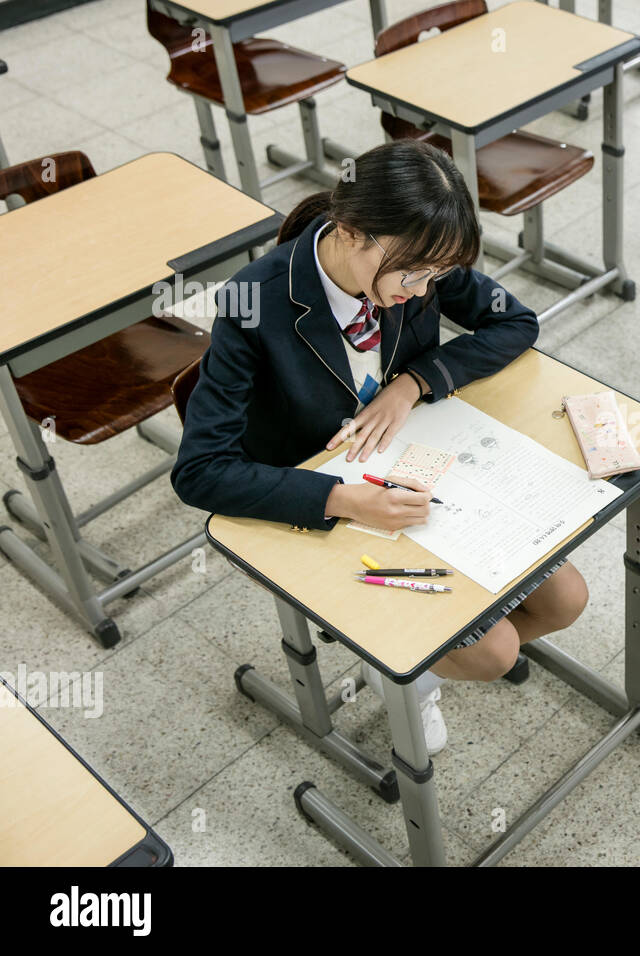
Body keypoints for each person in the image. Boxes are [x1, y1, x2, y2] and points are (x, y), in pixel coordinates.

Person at [172, 140, 589, 754]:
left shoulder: (423, 257)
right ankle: (403, 668)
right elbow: (200, 472)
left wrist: (413, 383)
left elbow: (515, 322)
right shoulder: (252, 302)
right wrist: (341, 499)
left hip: (416, 469)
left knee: (566, 599)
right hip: (318, 500)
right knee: (496, 650)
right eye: (414, 274)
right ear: (351, 233)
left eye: (438, 277)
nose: (423, 293)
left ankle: (419, 655)